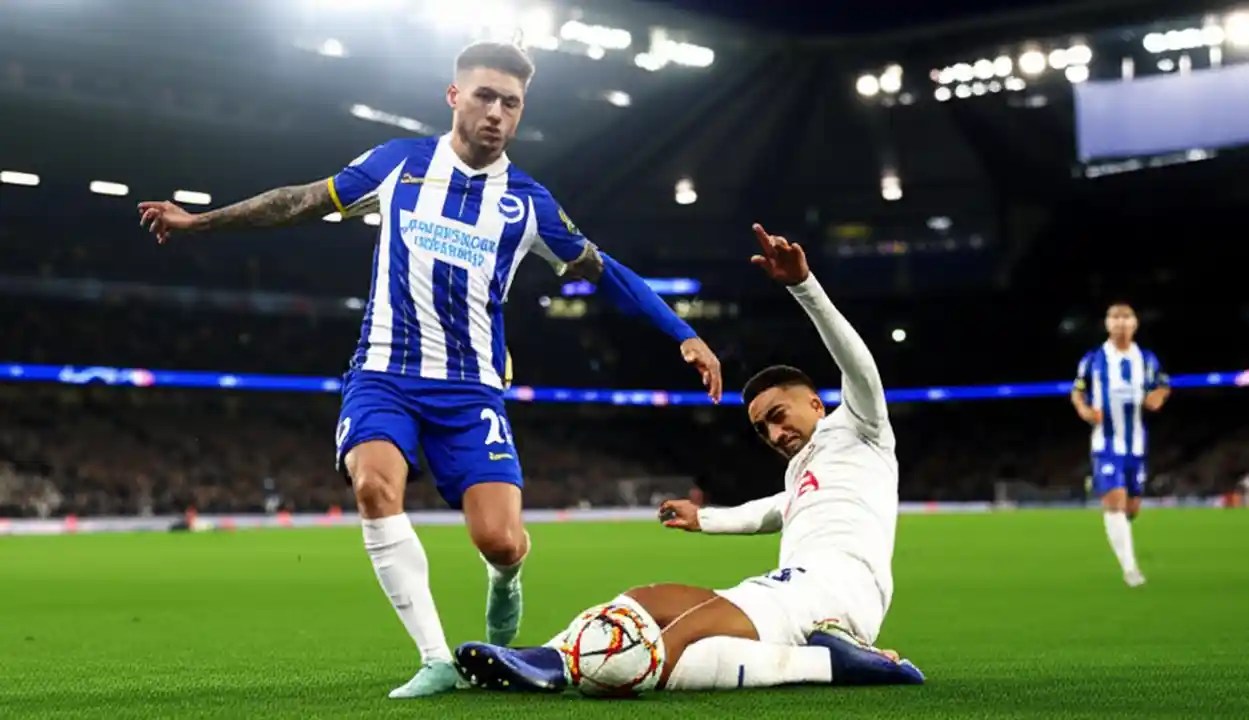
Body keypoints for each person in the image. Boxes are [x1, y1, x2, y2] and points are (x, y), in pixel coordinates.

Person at [136, 41, 724, 698]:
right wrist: (198, 223)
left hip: (471, 391)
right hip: (383, 374)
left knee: (500, 542)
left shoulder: (528, 203)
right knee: (373, 487)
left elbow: (603, 268)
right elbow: (299, 201)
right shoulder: (398, 165)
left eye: (511, 103)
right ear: (454, 96)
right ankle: (436, 657)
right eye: (484, 96)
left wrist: (683, 332)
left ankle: (507, 578)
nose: (497, 112)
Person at [452, 223, 923, 693]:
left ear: (816, 404)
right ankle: (544, 657)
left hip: (838, 590)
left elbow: (858, 363)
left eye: (779, 416)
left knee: (681, 638)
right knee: (646, 602)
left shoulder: (862, 429)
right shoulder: (806, 472)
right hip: (797, 588)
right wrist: (705, 519)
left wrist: (804, 287)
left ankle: (572, 671)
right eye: (762, 429)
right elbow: (774, 510)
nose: (775, 434)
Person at [1070, 302, 1169, 587]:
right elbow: (1077, 392)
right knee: (1115, 503)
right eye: (1115, 317)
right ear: (1107, 323)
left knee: (1132, 508)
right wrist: (1086, 411)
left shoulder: (1147, 359)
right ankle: (1131, 570)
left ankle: (1105, 490)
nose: (1121, 322)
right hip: (1106, 443)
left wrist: (1158, 397)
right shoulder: (1093, 359)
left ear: (1135, 323)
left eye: (1126, 317)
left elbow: (1162, 384)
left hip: (1136, 445)